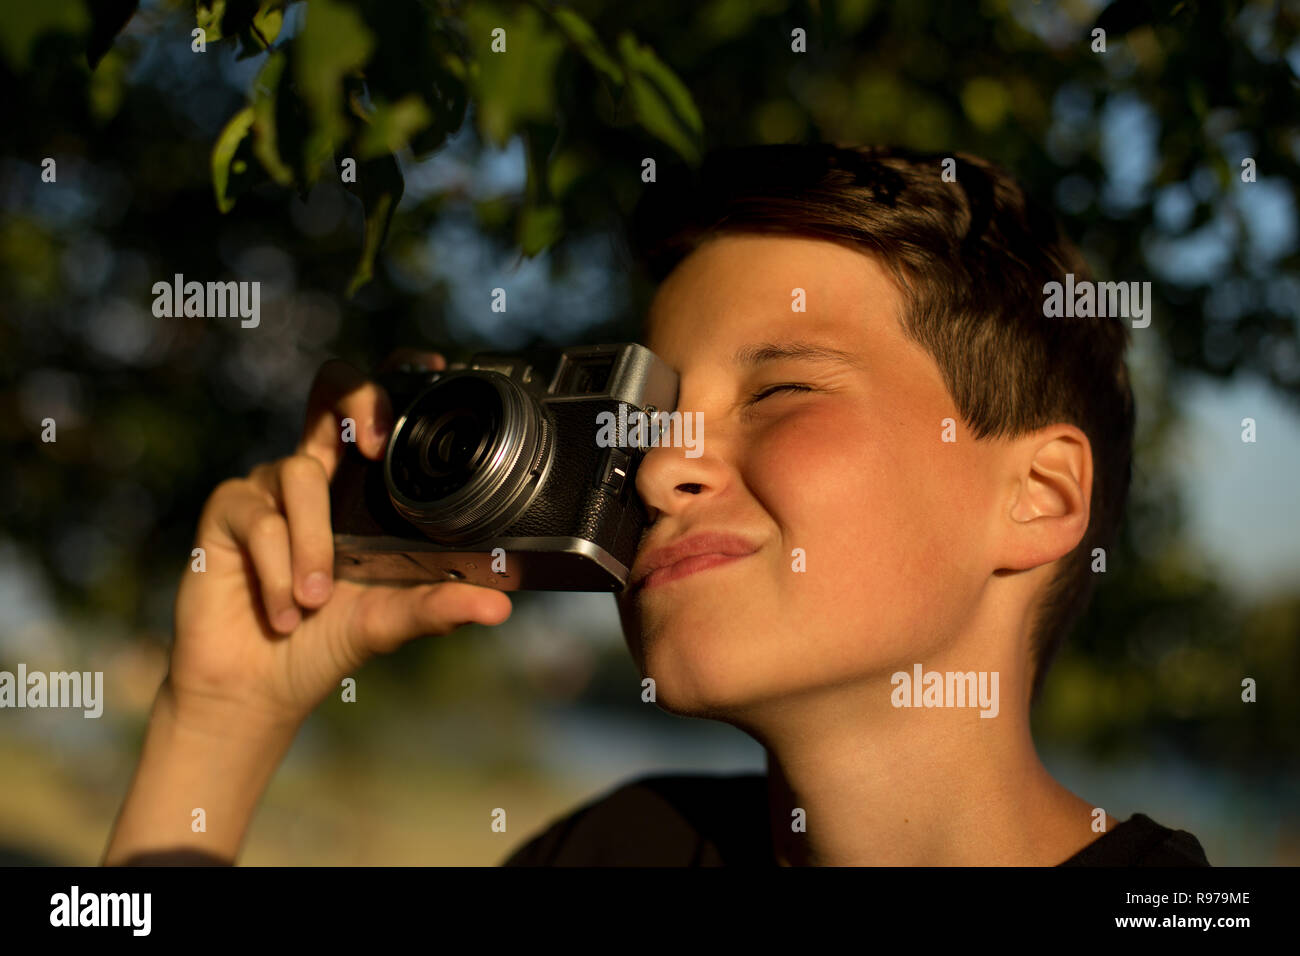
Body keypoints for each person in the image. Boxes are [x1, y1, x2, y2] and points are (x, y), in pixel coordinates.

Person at [103, 143, 1209, 867]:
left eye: (777, 389)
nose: (656, 464)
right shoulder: (613, 850)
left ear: (1038, 495)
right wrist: (220, 721)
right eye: (647, 411)